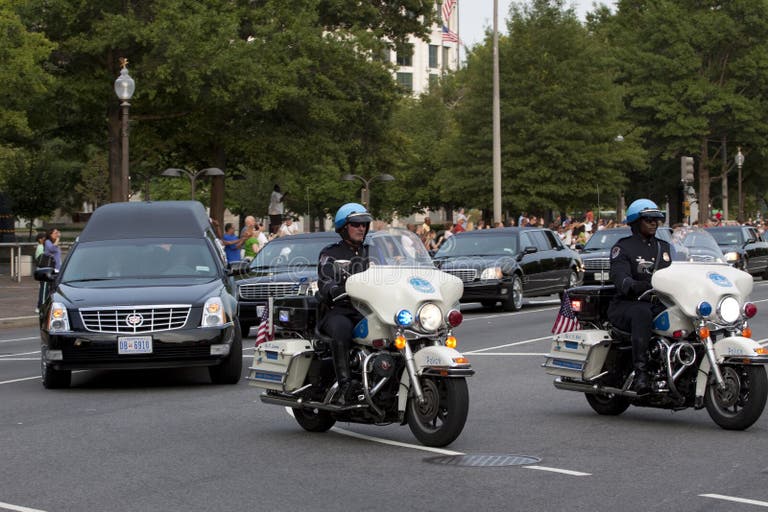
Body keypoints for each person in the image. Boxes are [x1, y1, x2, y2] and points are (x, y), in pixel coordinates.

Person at [608, 199, 671, 394]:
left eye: (656, 219)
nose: (654, 223)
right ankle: (641, 373)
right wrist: (633, 284)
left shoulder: (664, 246)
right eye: (648, 219)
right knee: (642, 314)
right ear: (635, 222)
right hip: (628, 303)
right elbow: (619, 276)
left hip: (657, 301)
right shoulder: (623, 247)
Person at [317, 202, 372, 404]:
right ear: (343, 228)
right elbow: (325, 279)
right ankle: (346, 385)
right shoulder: (331, 253)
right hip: (340, 310)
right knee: (342, 329)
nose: (361, 228)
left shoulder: (372, 252)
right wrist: (332, 287)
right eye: (356, 224)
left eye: (364, 224)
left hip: (370, 310)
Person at [34, 232, 47, 312]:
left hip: (42, 270)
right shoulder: (41, 247)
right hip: (43, 271)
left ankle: (41, 306)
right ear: (40, 239)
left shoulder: (41, 246)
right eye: (44, 238)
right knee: (44, 290)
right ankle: (40, 307)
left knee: (44, 289)